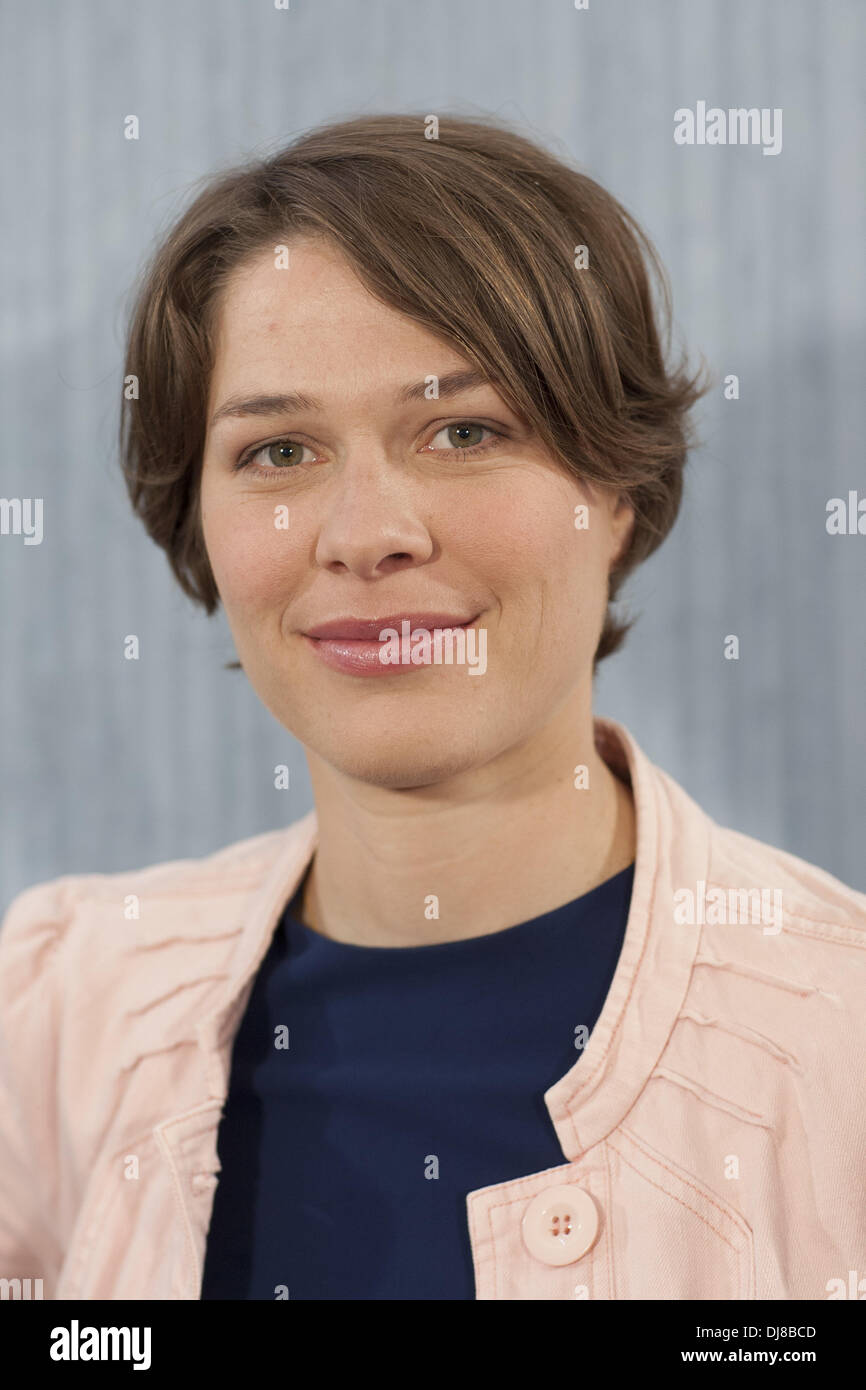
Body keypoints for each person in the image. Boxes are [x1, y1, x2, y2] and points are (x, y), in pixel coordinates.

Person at [1, 112, 863, 1302]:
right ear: (191, 509)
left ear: (616, 489)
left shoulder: (839, 1040)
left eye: (463, 430)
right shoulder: (53, 1015)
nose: (366, 535)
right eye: (277, 452)